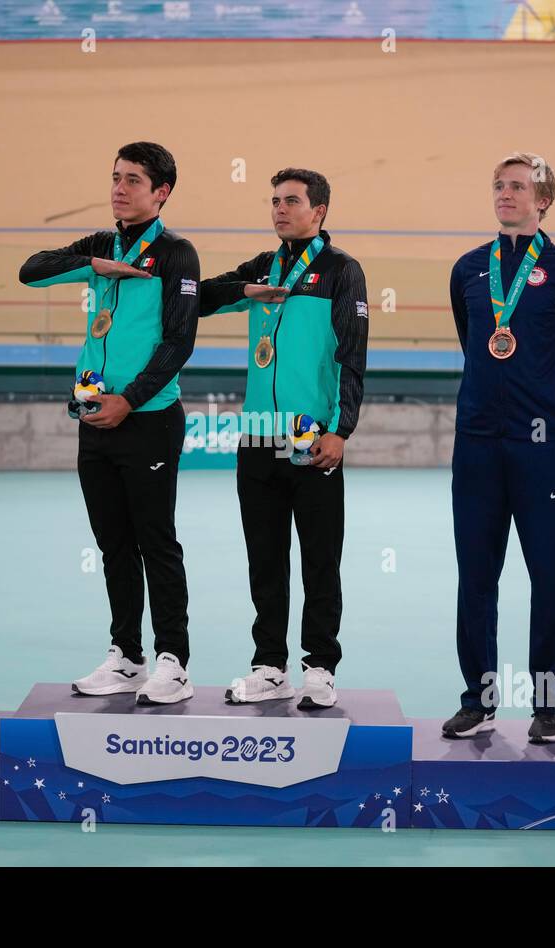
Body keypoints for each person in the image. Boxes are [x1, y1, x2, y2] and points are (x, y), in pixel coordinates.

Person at [18, 141, 199, 706]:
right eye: (116, 178)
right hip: (93, 418)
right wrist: (90, 264)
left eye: (133, 180)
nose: (119, 189)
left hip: (148, 419)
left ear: (161, 191)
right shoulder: (100, 244)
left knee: (156, 542)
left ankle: (173, 660)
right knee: (113, 544)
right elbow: (30, 271)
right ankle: (126, 656)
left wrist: (131, 398)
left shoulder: (176, 253)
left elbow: (178, 341)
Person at [198, 167, 368, 710]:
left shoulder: (342, 271)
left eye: (291, 201)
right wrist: (246, 291)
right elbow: (198, 299)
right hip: (257, 439)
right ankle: (269, 666)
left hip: (312, 437)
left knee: (320, 559)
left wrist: (341, 430)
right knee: (264, 559)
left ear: (318, 211)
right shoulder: (262, 268)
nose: (279, 209)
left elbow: (352, 354)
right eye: (274, 201)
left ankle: (319, 666)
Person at [443, 152, 555, 744]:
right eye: (499, 185)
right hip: (478, 444)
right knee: (477, 576)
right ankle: (479, 701)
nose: (505, 194)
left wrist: (542, 409)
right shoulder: (467, 270)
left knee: (552, 577)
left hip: (542, 448)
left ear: (544, 200)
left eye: (518, 187)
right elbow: (472, 343)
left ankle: (549, 705)